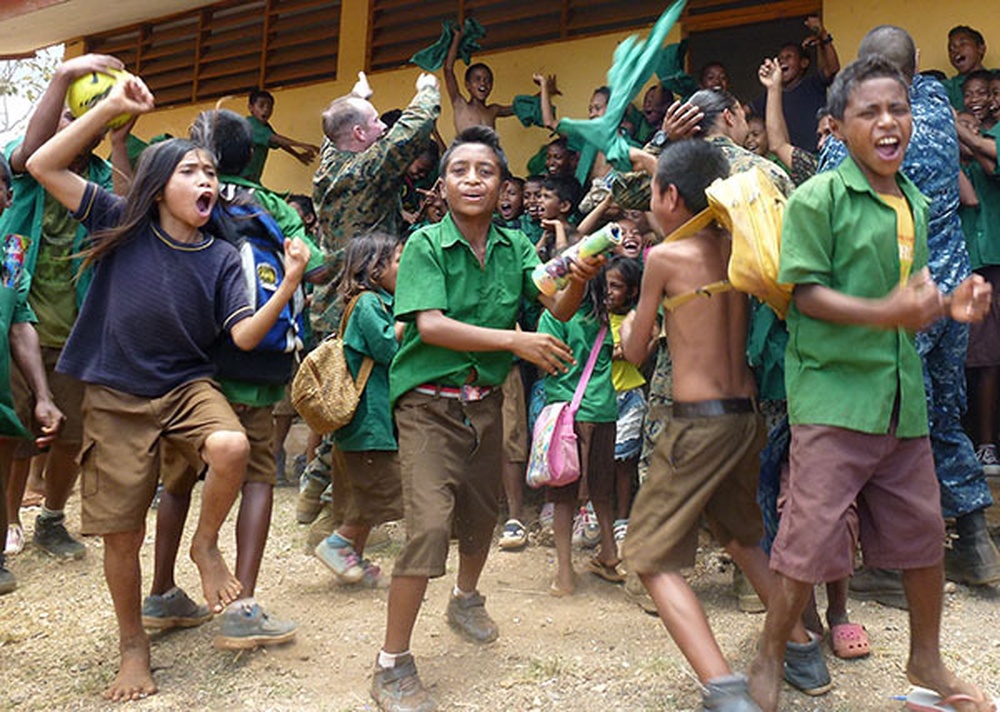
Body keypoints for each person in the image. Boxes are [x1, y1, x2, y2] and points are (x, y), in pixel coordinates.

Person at [25, 74, 308, 701]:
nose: (206, 181)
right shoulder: (117, 217)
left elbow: (240, 336)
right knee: (122, 533)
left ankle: (206, 548)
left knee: (232, 449)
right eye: (190, 172)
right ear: (158, 187)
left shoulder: (220, 255)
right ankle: (133, 647)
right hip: (116, 395)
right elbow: (41, 162)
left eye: (210, 172)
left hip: (185, 385)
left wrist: (287, 283)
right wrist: (106, 109)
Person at [746, 55, 994, 712]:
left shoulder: (911, 197)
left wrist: (948, 304)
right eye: (871, 111)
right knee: (807, 539)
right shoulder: (817, 198)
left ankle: (926, 658)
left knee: (921, 536)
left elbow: (904, 297)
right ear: (834, 127)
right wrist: (892, 312)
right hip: (832, 399)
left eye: (899, 109)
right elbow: (807, 296)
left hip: (900, 400)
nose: (889, 123)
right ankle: (772, 653)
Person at [370, 126, 601, 711]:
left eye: (486, 171)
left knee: (480, 519)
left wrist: (576, 281)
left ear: (503, 187)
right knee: (427, 528)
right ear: (442, 186)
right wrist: (515, 343)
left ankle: (465, 597)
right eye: (460, 170)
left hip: (486, 403)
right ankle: (391, 662)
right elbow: (432, 327)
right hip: (428, 404)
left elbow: (555, 306)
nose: (473, 179)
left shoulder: (516, 247)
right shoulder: (424, 244)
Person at [620, 138, 826, 710]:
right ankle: (804, 654)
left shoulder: (664, 259)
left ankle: (723, 687)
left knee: (650, 556)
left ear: (668, 197)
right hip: (744, 418)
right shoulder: (739, 247)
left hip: (697, 425)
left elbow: (636, 350)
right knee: (741, 536)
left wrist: (622, 332)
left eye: (653, 192)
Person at [819, 25, 1000, 593]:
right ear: (917, 63)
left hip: (899, 300)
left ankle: (892, 562)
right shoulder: (940, 115)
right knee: (943, 417)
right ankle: (974, 542)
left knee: (888, 421)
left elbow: (828, 187)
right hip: (950, 296)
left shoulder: (868, 129)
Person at [142, 108, 313, 650]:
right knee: (258, 478)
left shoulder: (197, 199)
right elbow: (319, 262)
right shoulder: (277, 206)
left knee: (177, 482)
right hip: (260, 373)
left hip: (201, 372)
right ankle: (243, 607)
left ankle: (163, 592)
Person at [0, 53, 126, 562]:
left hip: (78, 333)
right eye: (72, 116)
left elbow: (126, 217)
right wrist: (63, 76)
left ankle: (52, 518)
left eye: (91, 122)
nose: (80, 128)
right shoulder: (27, 165)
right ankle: (8, 521)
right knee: (12, 434)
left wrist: (119, 138)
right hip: (15, 324)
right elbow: (32, 152)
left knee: (72, 434)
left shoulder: (98, 175)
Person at [314, 231, 403, 588]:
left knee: (364, 492)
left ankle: (355, 558)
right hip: (368, 417)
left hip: (374, 419)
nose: (405, 267)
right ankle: (337, 543)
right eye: (399, 260)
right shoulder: (367, 303)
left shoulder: (378, 301)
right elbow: (385, 349)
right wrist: (409, 318)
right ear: (375, 268)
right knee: (378, 490)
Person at [0, 152, 65, 594]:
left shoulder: (7, 257)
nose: (8, 202)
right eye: (2, 189)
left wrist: (42, 395)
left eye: (7, 190)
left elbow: (20, 318)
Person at [538, 274, 619, 596]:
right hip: (602, 409)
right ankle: (610, 553)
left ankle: (564, 573)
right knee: (601, 488)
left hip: (567, 414)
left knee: (563, 496)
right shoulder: (601, 317)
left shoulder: (555, 316)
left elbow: (548, 361)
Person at [604, 256, 649, 557]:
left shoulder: (637, 318)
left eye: (616, 286)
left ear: (632, 292)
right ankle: (596, 513)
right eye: (605, 285)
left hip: (629, 394)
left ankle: (622, 517)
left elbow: (638, 353)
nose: (608, 292)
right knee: (596, 459)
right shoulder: (595, 317)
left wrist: (619, 350)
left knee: (623, 463)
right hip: (601, 395)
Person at [751, 15, 840, 153]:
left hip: (819, 153)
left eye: (788, 57)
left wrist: (823, 35)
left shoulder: (813, 84)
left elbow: (832, 68)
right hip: (788, 160)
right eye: (779, 59)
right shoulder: (772, 95)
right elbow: (741, 111)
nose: (782, 62)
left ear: (804, 63)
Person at [444, 24, 513, 133]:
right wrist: (457, 38)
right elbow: (448, 70)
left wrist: (544, 92)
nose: (483, 83)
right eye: (477, 79)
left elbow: (517, 108)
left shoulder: (493, 110)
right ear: (467, 85)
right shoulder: (460, 105)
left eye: (487, 80)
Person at [240, 89, 320, 184]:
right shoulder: (251, 123)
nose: (266, 109)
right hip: (240, 178)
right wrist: (301, 145)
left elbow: (279, 142)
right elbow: (275, 138)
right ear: (251, 108)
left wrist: (297, 155)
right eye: (261, 105)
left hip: (251, 180)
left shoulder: (265, 127)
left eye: (270, 107)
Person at [941, 26, 990, 111]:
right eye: (951, 48)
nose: (955, 50)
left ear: (981, 49)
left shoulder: (996, 78)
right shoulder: (946, 87)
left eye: (962, 44)